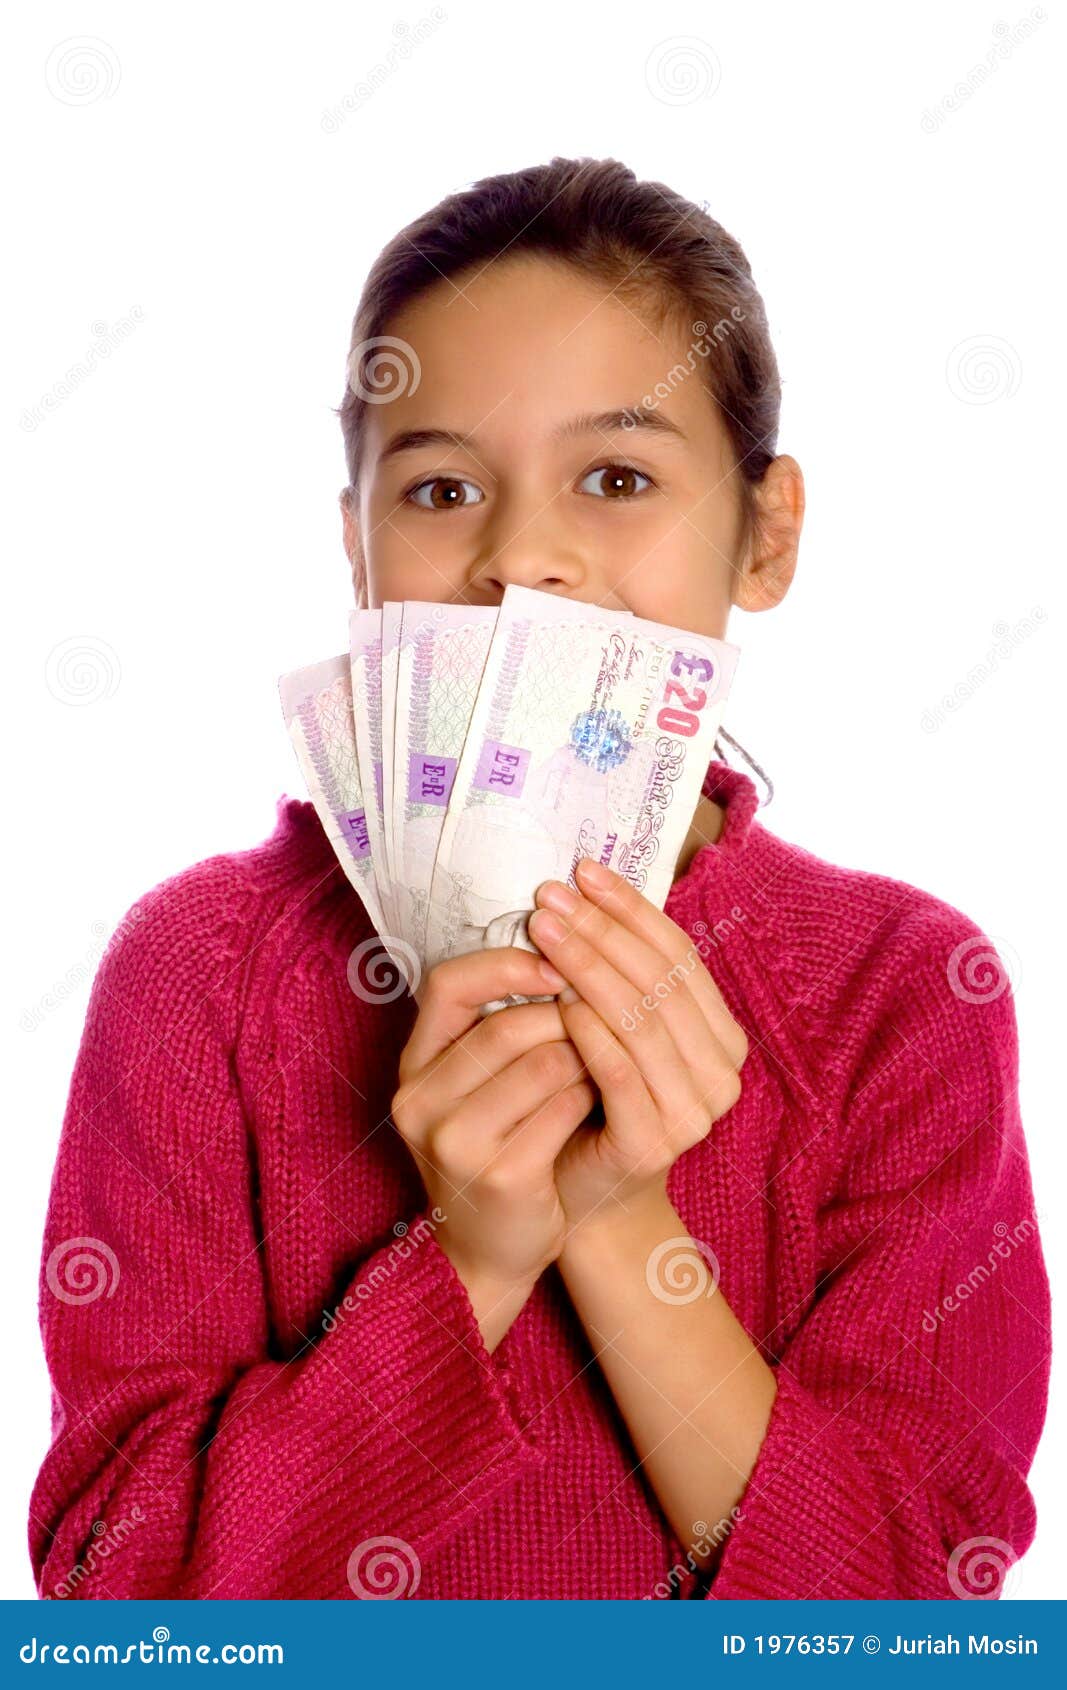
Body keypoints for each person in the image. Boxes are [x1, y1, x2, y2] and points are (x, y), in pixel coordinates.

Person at [29, 156, 1050, 1601]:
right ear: (358, 549)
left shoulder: (902, 989)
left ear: (766, 534)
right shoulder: (197, 971)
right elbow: (122, 1604)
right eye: (442, 487)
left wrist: (619, 1222)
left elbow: (912, 1619)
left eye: (618, 478)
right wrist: (470, 1260)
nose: (522, 559)